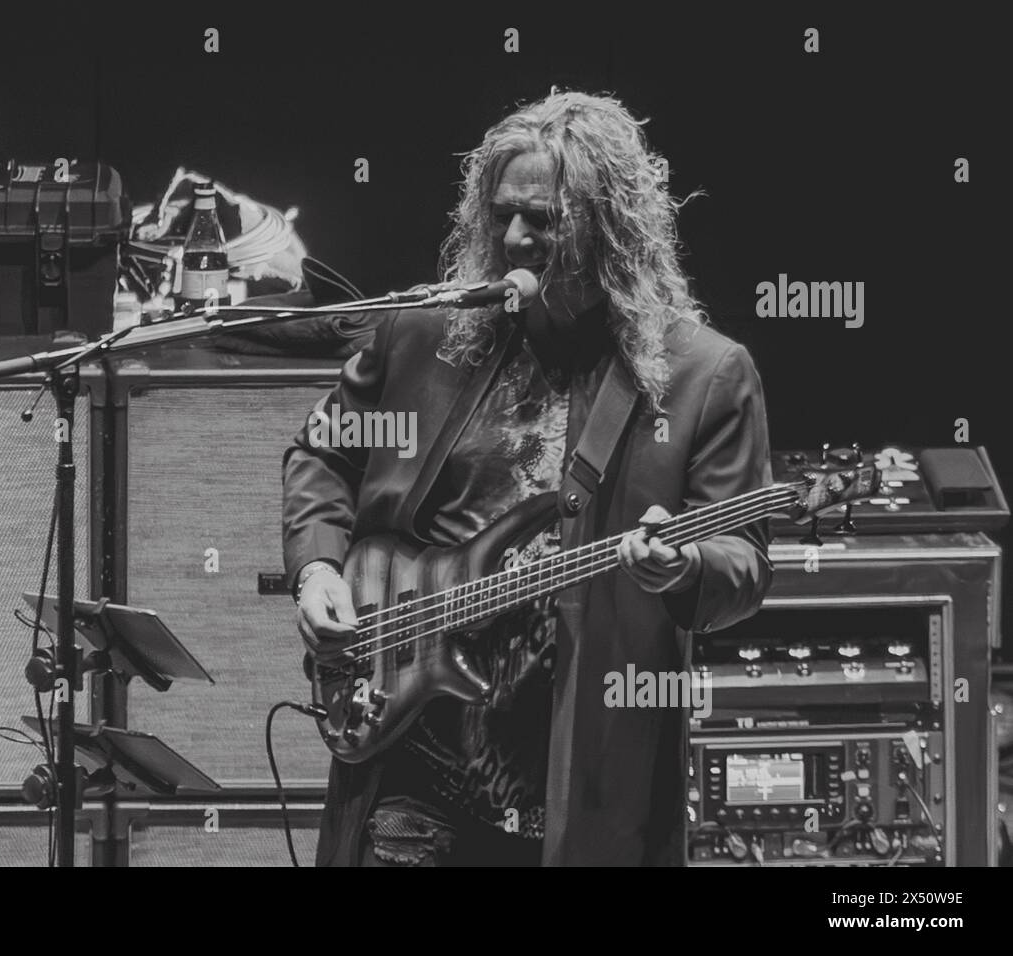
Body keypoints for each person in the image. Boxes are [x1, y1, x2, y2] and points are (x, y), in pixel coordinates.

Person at [282, 90, 774, 866]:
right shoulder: (423, 335)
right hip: (413, 779)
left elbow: (742, 559)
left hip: (581, 787)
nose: (515, 238)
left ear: (609, 227)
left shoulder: (701, 376)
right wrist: (316, 570)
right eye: (503, 213)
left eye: (543, 221)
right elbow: (325, 455)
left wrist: (684, 564)